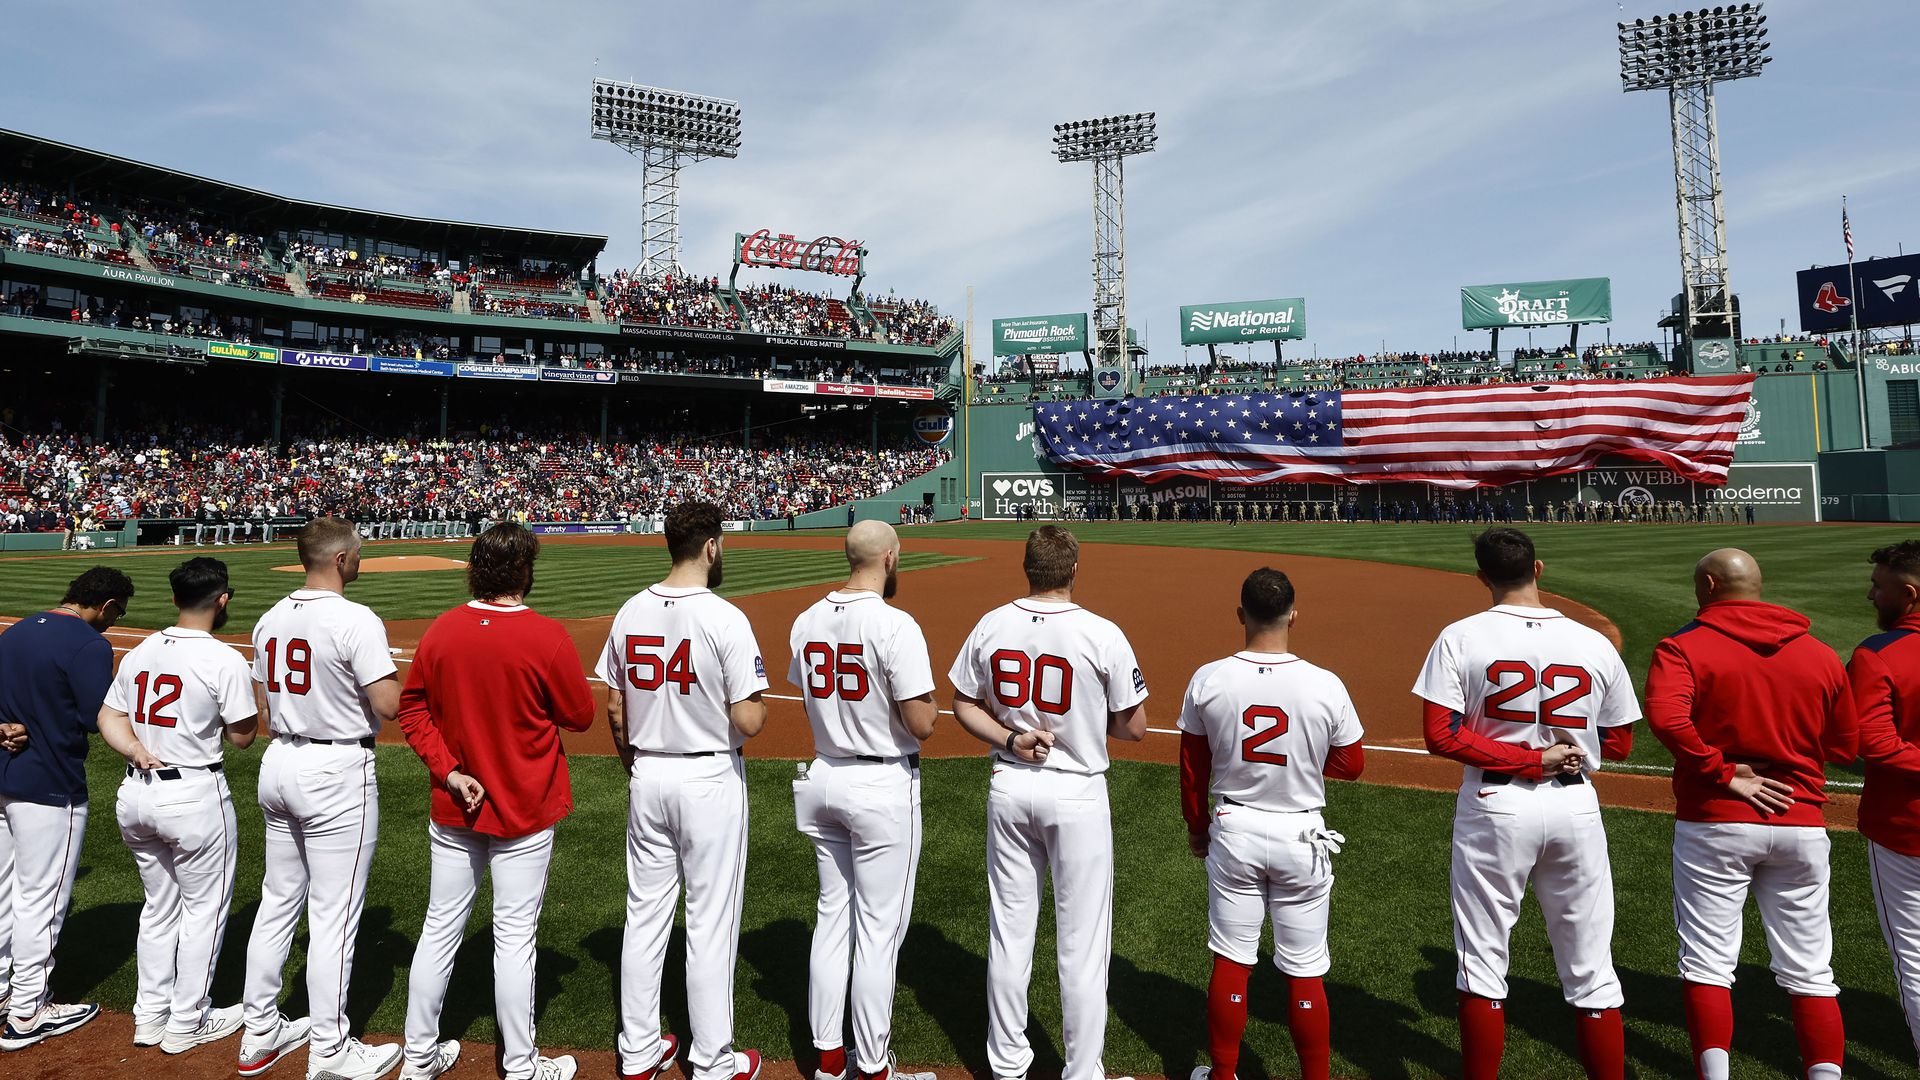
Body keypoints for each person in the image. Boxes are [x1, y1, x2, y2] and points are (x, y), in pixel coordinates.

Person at [1412, 528, 1639, 1080]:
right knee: (1591, 968)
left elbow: (1441, 736)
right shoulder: (1594, 641)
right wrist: (1559, 755)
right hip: (1577, 807)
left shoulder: (1461, 637)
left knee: (1484, 960)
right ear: (1539, 569)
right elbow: (1620, 742)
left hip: (1495, 805)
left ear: (1483, 578)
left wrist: (1523, 759)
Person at [395, 524, 596, 1080]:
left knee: (440, 927)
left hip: (456, 804)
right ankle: (521, 1065)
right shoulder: (545, 636)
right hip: (525, 806)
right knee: (514, 937)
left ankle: (417, 1058)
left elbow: (412, 711)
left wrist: (451, 770)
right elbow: (579, 715)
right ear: (525, 572)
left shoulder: (441, 631)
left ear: (475, 570)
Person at [1646, 548, 1856, 1080]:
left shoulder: (1684, 645)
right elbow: (1846, 745)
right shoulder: (1822, 654)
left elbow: (1668, 720)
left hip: (1715, 818)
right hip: (1801, 818)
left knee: (1709, 964)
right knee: (1812, 971)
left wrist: (1725, 771)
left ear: (1710, 585)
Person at [948, 525, 1149, 1080]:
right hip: (1077, 792)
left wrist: (1012, 738)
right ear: (1074, 570)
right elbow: (1134, 727)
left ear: (1027, 568)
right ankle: (1082, 1072)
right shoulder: (1101, 632)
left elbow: (963, 705)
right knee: (1081, 945)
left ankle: (1008, 1065)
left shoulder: (992, 623)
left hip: (1011, 785)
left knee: (1010, 934)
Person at [599, 501, 768, 1080]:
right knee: (710, 921)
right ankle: (713, 1057)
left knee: (645, 916)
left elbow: (616, 706)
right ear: (712, 546)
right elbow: (748, 721)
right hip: (708, 777)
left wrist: (632, 763)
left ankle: (639, 1050)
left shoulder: (629, 610)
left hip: (648, 774)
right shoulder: (725, 618)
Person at [1178, 568, 1364, 1080]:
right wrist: (1301, 762)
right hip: (1301, 834)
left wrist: (1198, 828)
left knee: (1232, 961)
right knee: (1305, 970)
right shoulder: (1324, 683)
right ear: (1293, 616)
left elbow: (1193, 769)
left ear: (1241, 614)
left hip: (1234, 829)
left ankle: (1222, 1074)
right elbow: (1353, 764)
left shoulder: (1209, 678)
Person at [240, 517, 402, 1080]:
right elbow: (387, 705)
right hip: (335, 766)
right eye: (357, 553)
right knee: (333, 915)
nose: (360, 560)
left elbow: (262, 703)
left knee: (277, 900)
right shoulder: (355, 618)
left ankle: (258, 1031)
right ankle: (331, 1050)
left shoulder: (269, 618)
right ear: (338, 559)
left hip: (280, 758)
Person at [788, 521, 939, 1080]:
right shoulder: (895, 624)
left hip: (824, 772)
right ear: (891, 559)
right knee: (879, 930)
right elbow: (921, 723)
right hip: (880, 784)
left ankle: (829, 1057)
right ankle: (873, 1065)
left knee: (833, 917)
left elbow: (805, 700)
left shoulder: (806, 619)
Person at [97, 558, 256, 1054]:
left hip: (136, 793)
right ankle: (188, 1020)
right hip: (193, 796)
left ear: (174, 598)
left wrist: (137, 750)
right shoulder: (223, 659)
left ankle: (149, 1017)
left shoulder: (141, 649)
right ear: (222, 599)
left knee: (158, 908)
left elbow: (109, 715)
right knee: (203, 909)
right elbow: (243, 737)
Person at [0, 566, 134, 1051]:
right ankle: (28, 1010)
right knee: (42, 898)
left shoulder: (14, 630)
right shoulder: (89, 644)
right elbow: (94, 717)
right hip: (50, 783)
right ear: (108, 606)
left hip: (3, 773)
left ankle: (1, 990)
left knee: (2, 890)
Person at [1852, 540, 1920, 1067]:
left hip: (1905, 827)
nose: (1871, 593)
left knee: (1915, 956)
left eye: (1880, 585)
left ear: (1910, 594)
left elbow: (1871, 743)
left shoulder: (1879, 653)